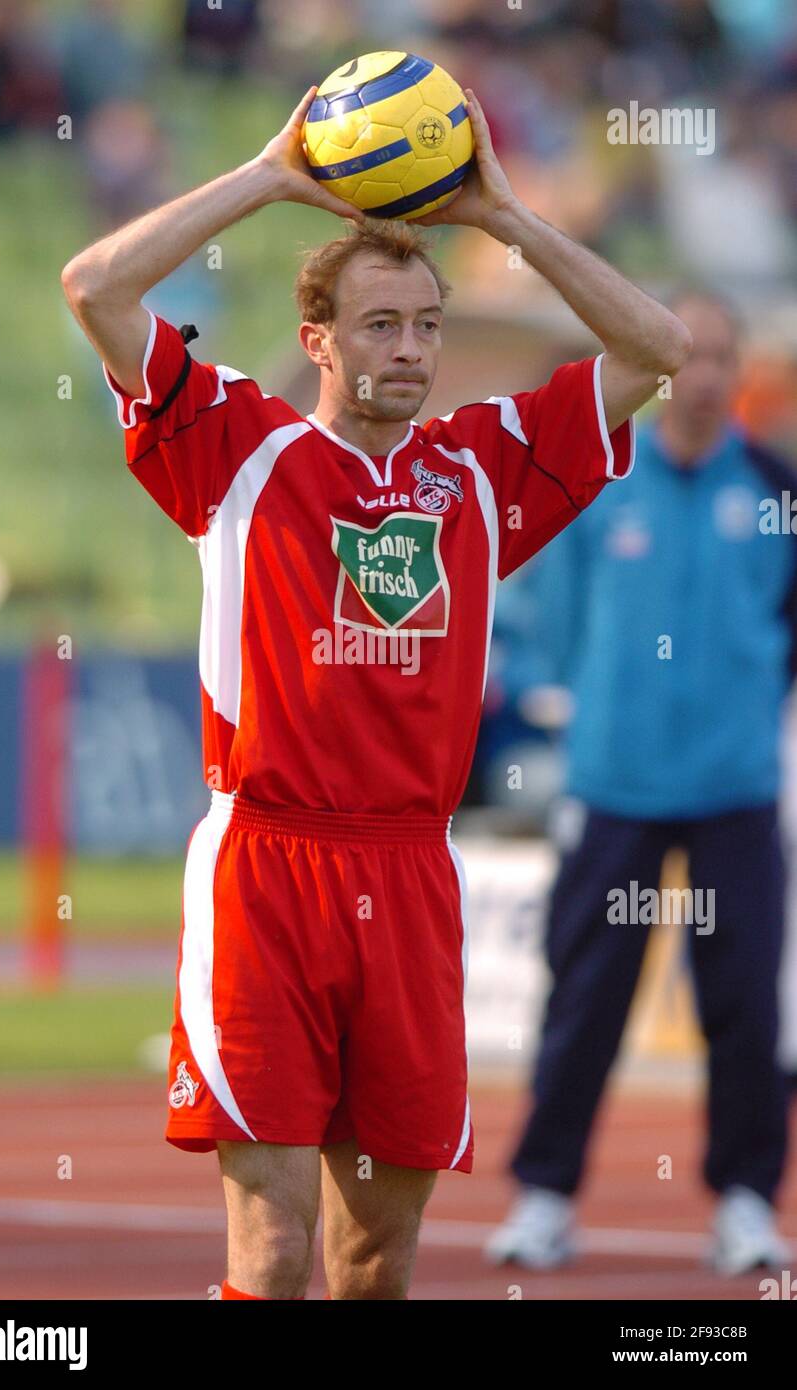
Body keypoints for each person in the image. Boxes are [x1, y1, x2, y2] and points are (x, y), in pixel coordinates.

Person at [60, 81, 689, 1301]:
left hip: (409, 871)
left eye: (426, 325)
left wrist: (507, 219)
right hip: (267, 868)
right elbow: (94, 287)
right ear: (319, 340)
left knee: (375, 1259)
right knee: (277, 1248)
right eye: (379, 324)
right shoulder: (239, 451)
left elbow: (655, 352)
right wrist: (269, 175)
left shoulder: (484, 470)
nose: (408, 350)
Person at [486, 289, 796, 1277]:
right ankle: (545, 1196)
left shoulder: (775, 487)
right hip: (613, 787)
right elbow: (528, 608)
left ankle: (746, 1201)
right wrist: (557, 700)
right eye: (688, 355)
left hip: (738, 792)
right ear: (661, 370)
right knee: (585, 1000)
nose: (704, 374)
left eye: (720, 355)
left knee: (746, 1005)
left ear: (738, 368)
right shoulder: (599, 480)